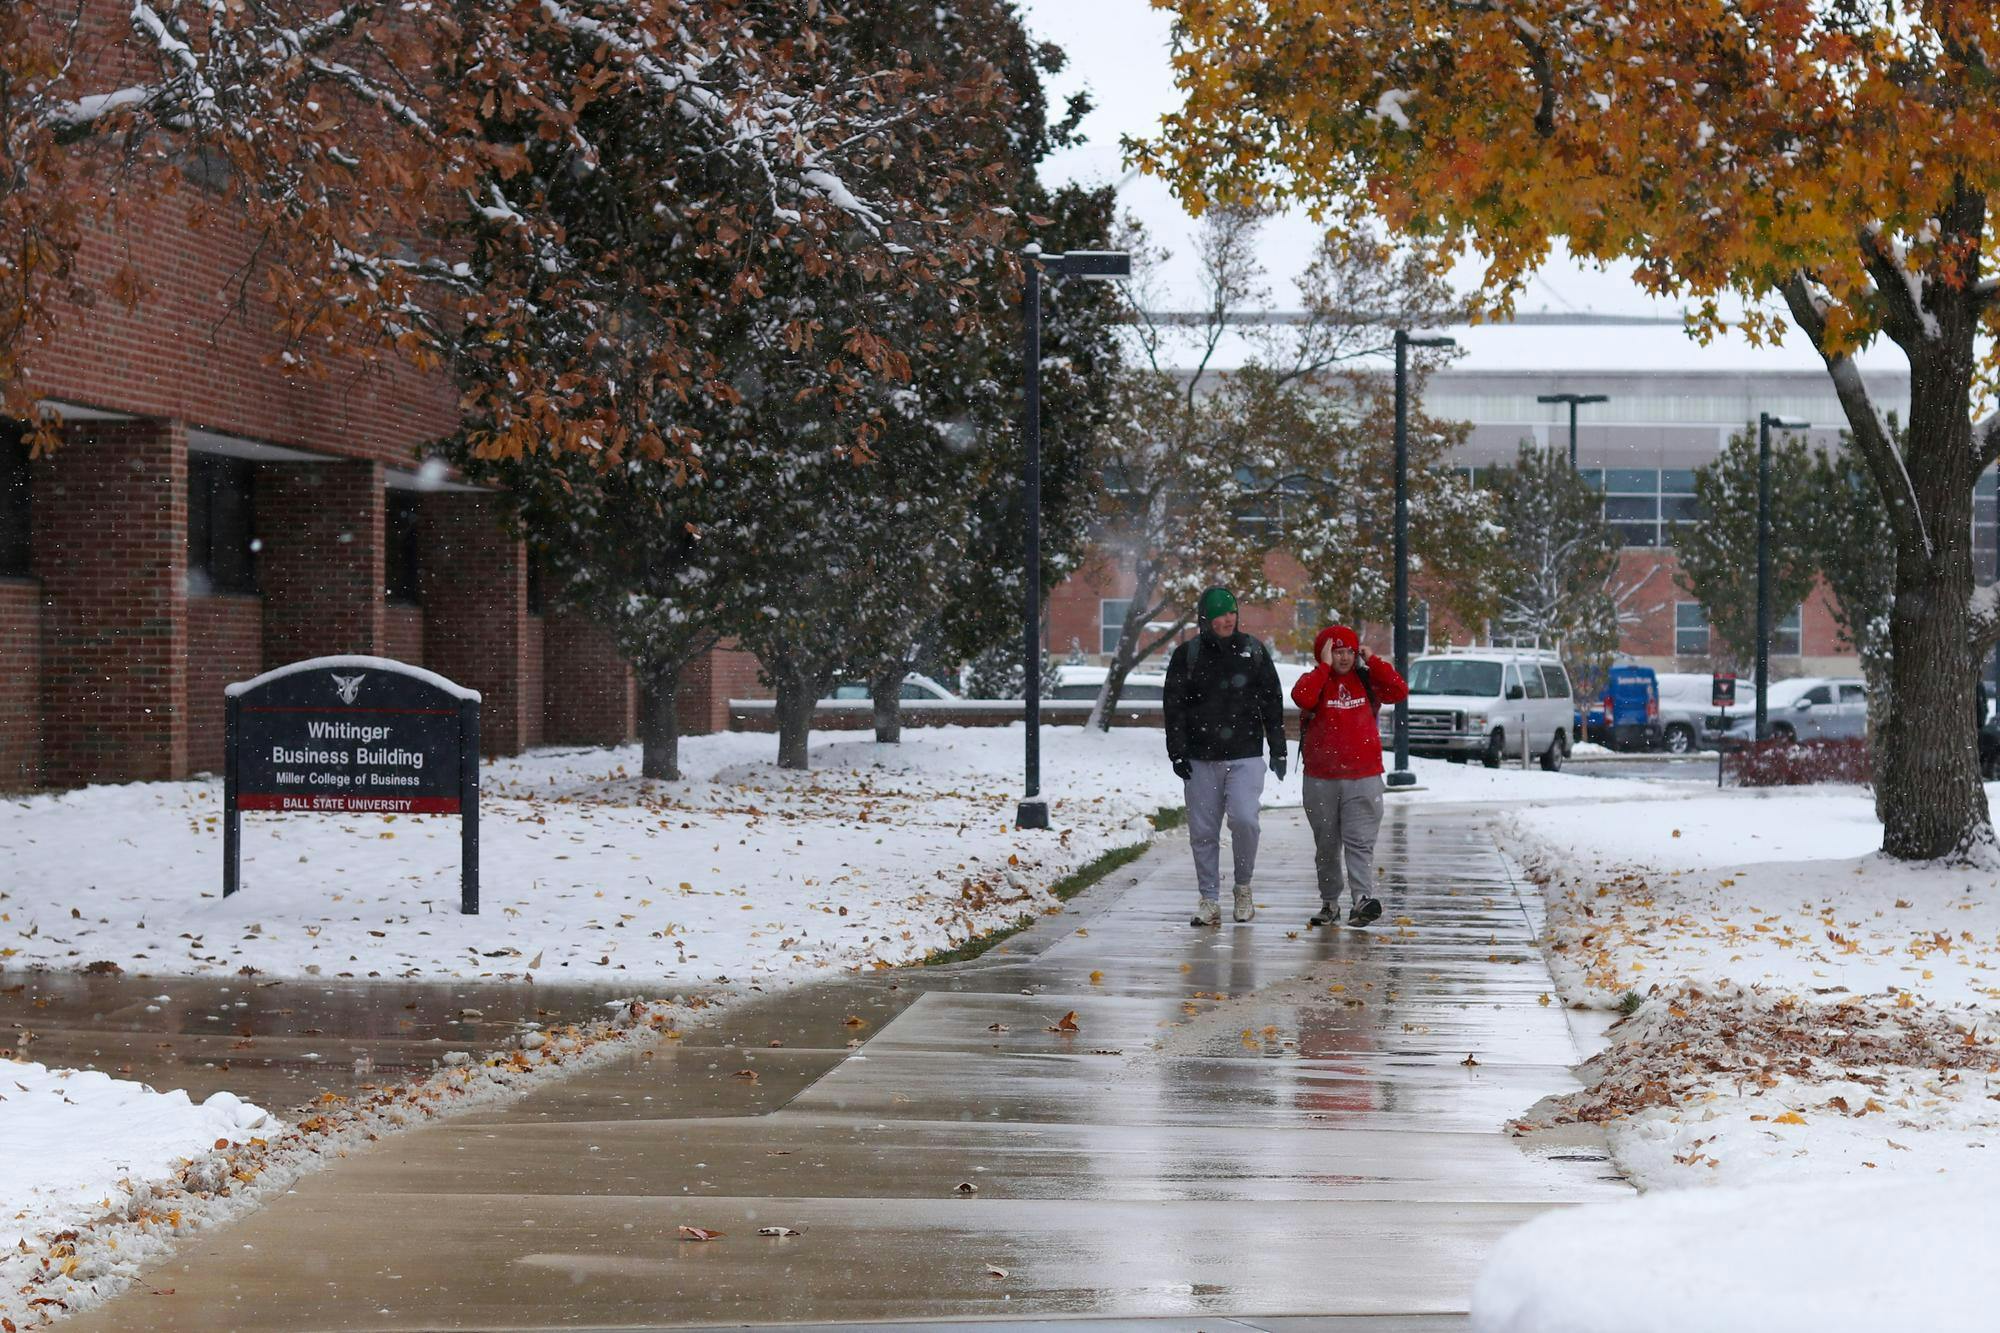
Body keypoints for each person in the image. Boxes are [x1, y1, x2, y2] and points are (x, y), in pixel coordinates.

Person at [1163, 586, 1287, 927]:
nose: (1227, 619)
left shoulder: (1253, 651)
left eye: (1231, 611)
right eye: (1220, 613)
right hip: (1201, 757)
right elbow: (1173, 708)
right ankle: (1209, 899)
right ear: (1205, 618)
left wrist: (1278, 748)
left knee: (1245, 820)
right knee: (1203, 831)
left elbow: (1271, 702)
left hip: (1245, 753)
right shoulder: (1187, 656)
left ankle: (1243, 887)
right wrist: (1177, 752)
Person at [1291, 624, 1408, 927]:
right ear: (1325, 653)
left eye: (1349, 652)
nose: (1344, 658)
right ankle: (1330, 902)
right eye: (1337, 651)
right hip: (1321, 777)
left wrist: (1375, 661)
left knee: (1360, 842)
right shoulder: (1314, 680)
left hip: (1364, 775)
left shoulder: (1367, 679)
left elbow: (1398, 690)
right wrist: (1323, 667)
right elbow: (1302, 698)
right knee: (1327, 844)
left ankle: (1361, 900)